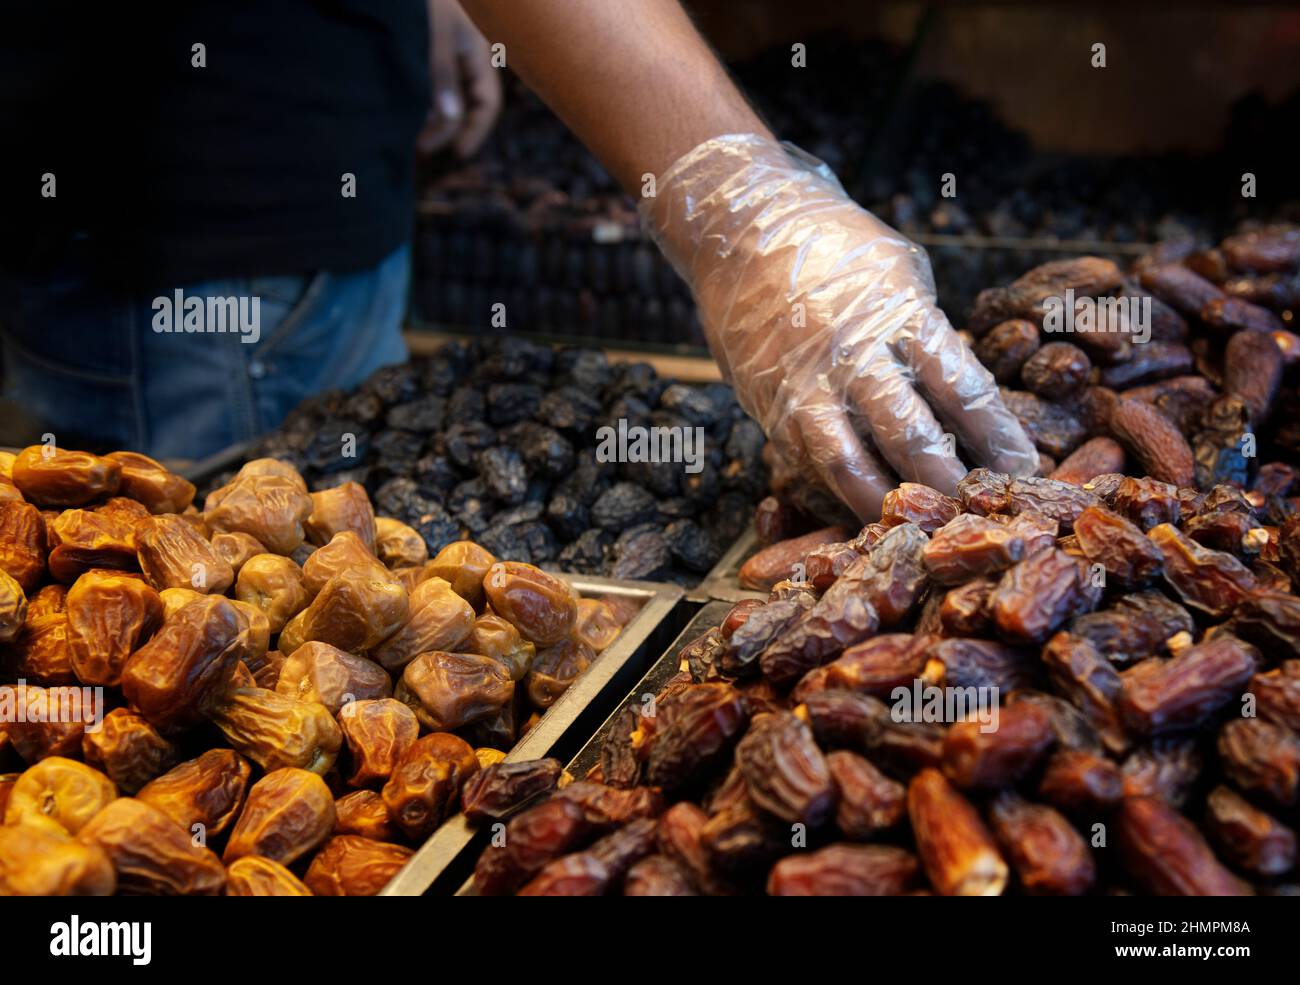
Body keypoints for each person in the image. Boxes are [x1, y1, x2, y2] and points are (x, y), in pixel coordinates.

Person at [1, 0, 1037, 521]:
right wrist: (743, 206)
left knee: (333, 512)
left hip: (267, 168)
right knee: (213, 604)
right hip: (183, 216)